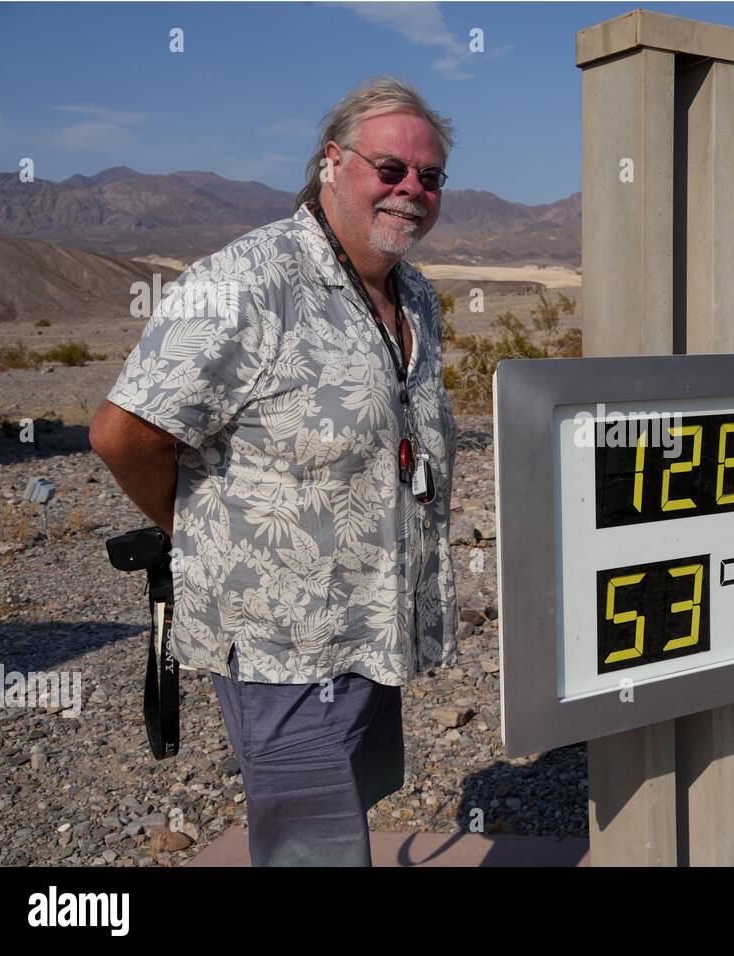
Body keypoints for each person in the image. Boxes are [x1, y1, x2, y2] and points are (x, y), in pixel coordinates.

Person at [89, 77, 459, 866]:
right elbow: (124, 435)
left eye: (429, 177)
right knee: (309, 848)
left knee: (345, 811)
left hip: (371, 619)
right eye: (390, 168)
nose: (410, 191)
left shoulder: (414, 293)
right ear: (333, 162)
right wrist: (193, 537)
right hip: (280, 637)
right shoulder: (246, 283)